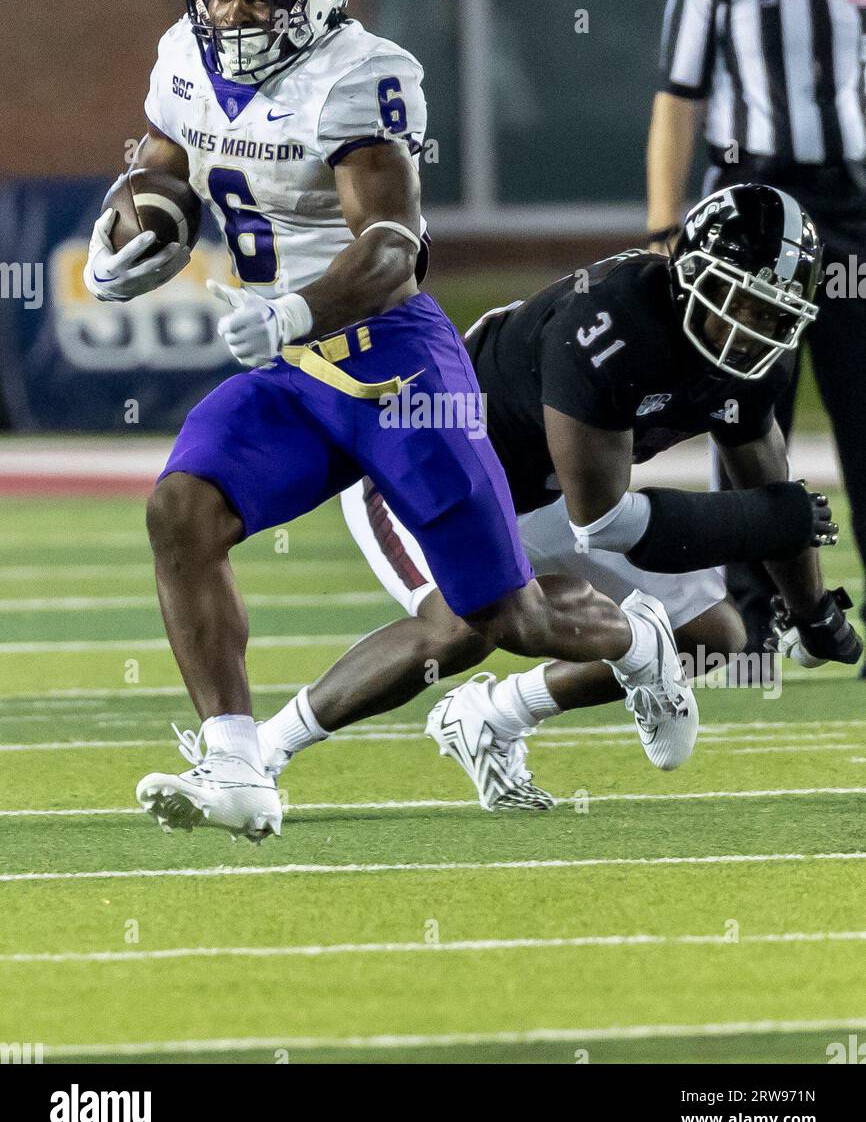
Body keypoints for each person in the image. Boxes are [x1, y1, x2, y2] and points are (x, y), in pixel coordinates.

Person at [84, 0, 691, 842]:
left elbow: (392, 248)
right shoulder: (183, 55)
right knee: (181, 510)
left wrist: (290, 310)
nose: (229, 12)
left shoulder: (360, 74)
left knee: (502, 617)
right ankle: (238, 765)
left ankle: (637, 636)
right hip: (291, 375)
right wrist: (134, 230)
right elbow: (166, 168)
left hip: (395, 370)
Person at [252, 183, 861, 810]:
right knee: (465, 623)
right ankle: (260, 751)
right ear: (690, 278)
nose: (750, 331)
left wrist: (812, 611)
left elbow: (771, 492)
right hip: (427, 468)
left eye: (773, 314)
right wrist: (760, 522)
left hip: (546, 492)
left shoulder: (760, 361)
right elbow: (604, 523)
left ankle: (491, 715)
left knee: (712, 632)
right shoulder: (609, 325)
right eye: (739, 302)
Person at [646, 0, 866, 656]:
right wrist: (666, 220)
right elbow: (678, 98)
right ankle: (754, 613)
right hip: (754, 211)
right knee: (745, 411)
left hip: (852, 204)